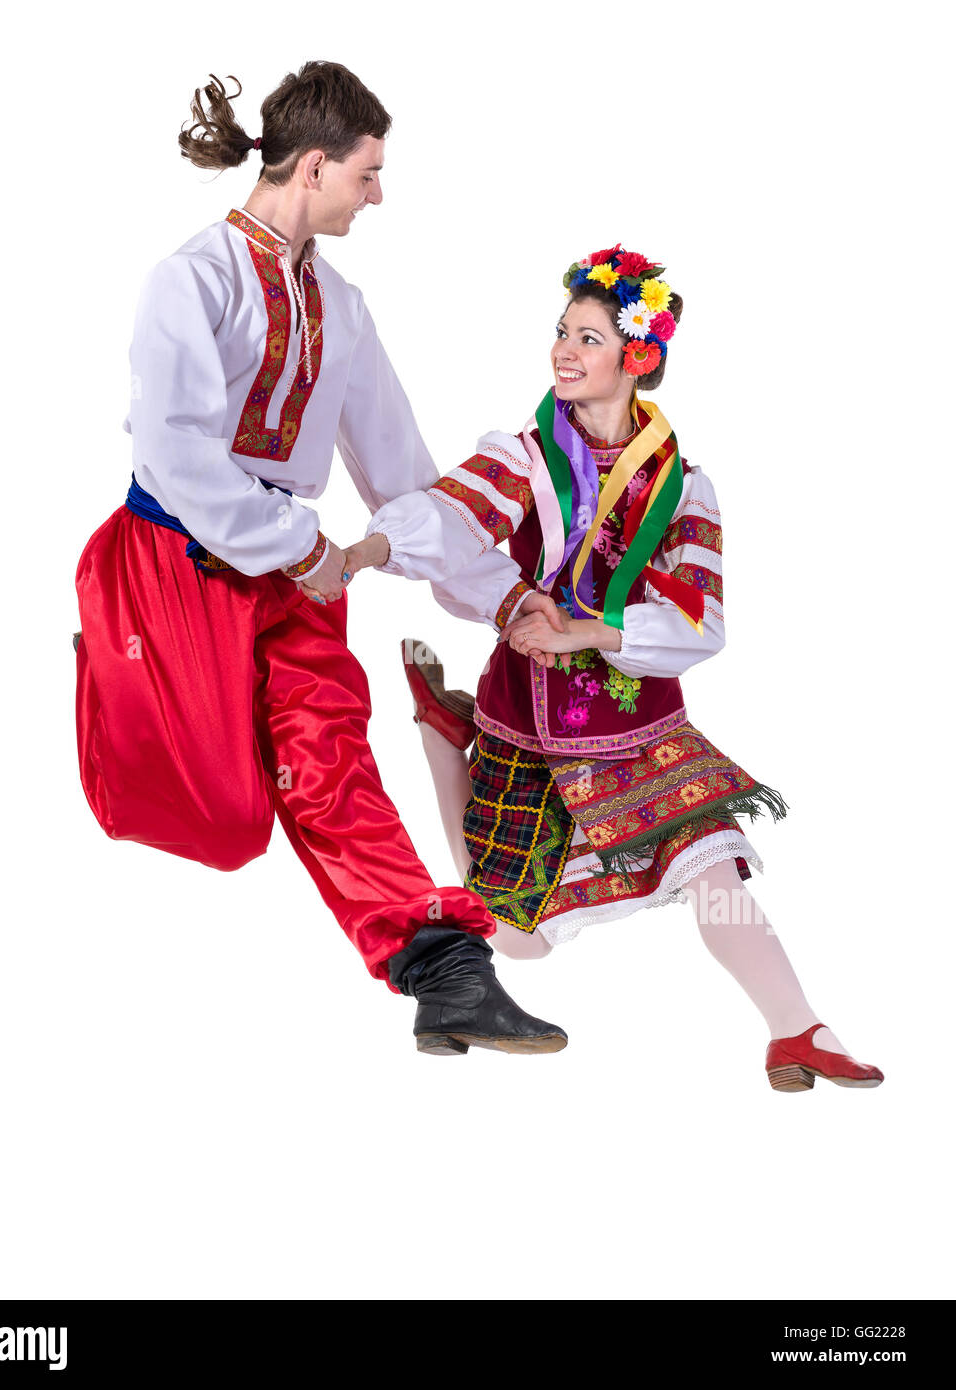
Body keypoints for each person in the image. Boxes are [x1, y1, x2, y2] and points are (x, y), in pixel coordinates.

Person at [73, 62, 569, 1056]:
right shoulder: (190, 278)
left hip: (293, 576)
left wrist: (504, 597)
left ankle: (442, 969)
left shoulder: (339, 304)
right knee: (224, 820)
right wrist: (302, 544)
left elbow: (401, 476)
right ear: (312, 166)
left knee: (329, 756)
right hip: (174, 555)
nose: (376, 195)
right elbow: (172, 452)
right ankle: (111, 676)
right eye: (366, 174)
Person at [345, 244, 884, 1091]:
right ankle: (444, 736)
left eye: (587, 337)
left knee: (712, 856)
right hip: (527, 713)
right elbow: (456, 515)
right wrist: (371, 547)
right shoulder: (524, 456)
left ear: (637, 357)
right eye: (562, 331)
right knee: (516, 933)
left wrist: (586, 632)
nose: (563, 349)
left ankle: (796, 1030)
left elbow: (701, 620)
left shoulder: (684, 489)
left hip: (636, 720)